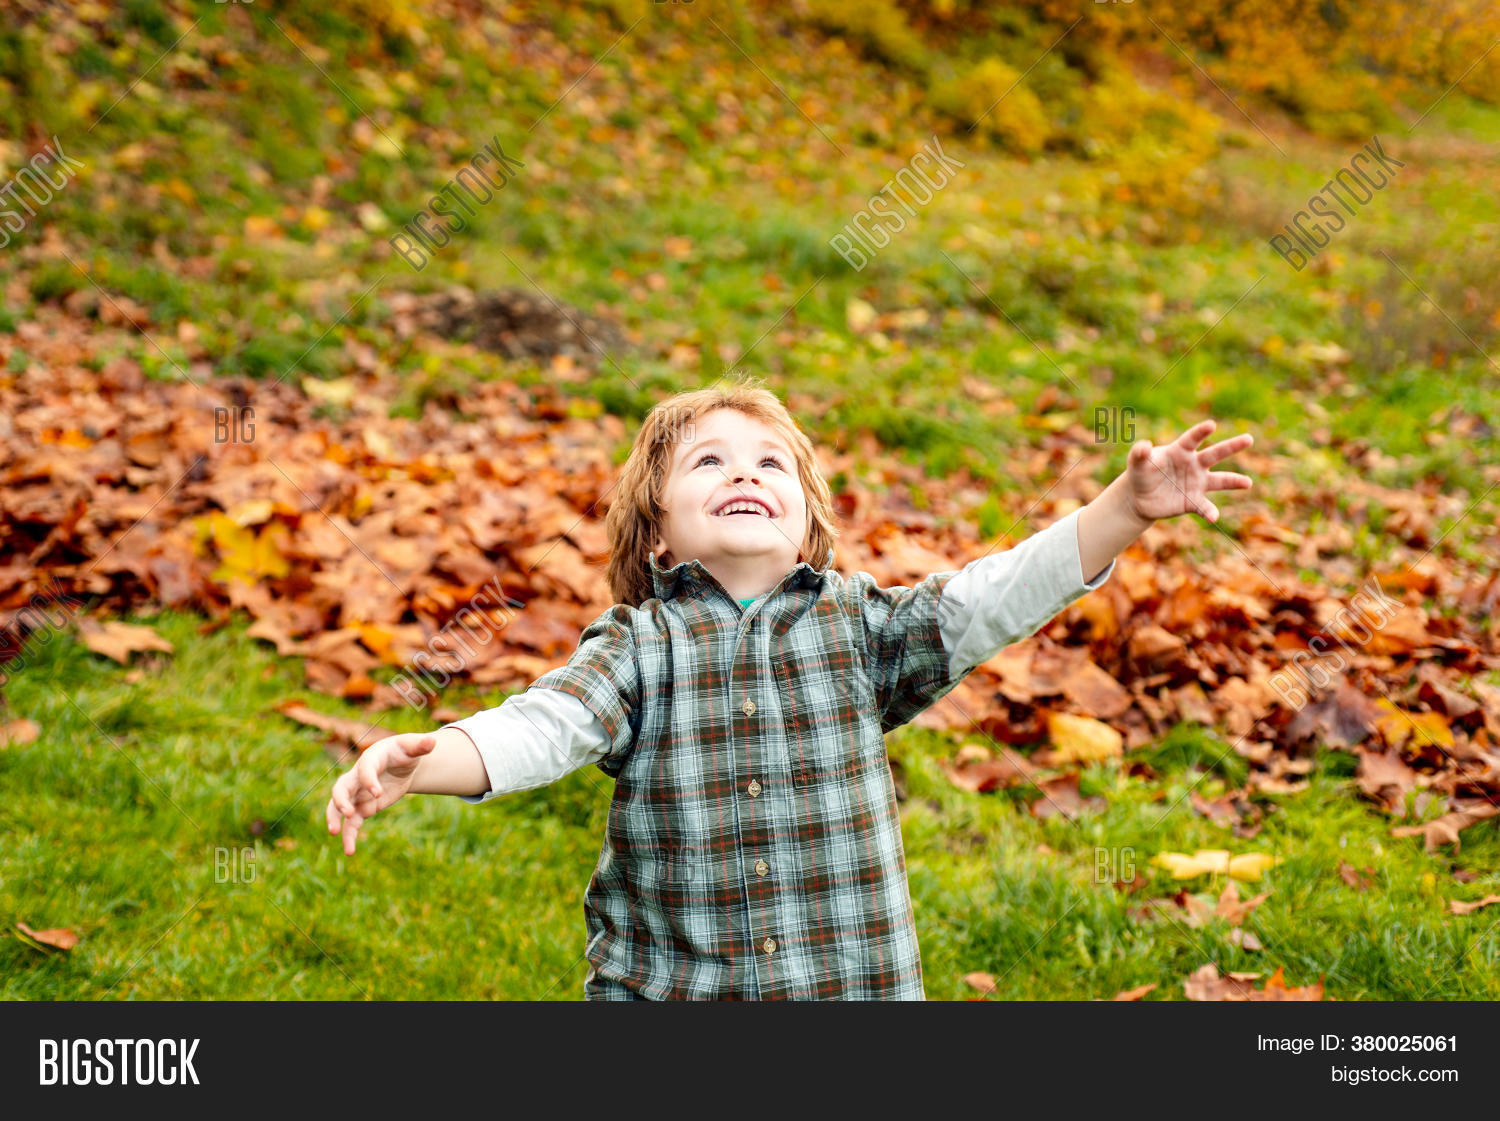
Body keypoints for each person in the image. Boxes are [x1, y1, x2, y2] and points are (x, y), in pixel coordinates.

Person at [325, 377, 1253, 999]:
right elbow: (548, 724)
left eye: (770, 463)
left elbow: (993, 597)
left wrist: (1121, 509)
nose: (744, 472)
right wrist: (430, 758)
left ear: (806, 527)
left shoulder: (864, 626)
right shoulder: (638, 644)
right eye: (710, 461)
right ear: (657, 533)